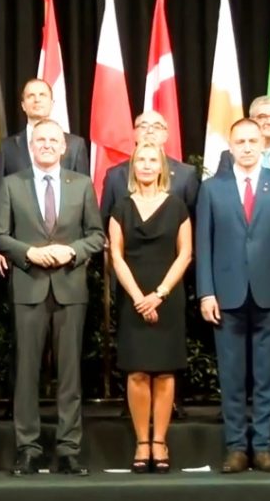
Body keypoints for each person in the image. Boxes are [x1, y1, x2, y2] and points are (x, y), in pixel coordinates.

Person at [0, 119, 106, 477]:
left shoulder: (82, 185)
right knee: (26, 374)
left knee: (69, 374)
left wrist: (70, 252)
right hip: (29, 287)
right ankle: (28, 448)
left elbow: (96, 235)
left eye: (52, 140)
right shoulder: (12, 184)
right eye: (39, 139)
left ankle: (69, 450)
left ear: (64, 147)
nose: (45, 144)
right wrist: (29, 253)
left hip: (70, 289)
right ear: (31, 146)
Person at [195, 118, 270, 473]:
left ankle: (264, 447)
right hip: (226, 296)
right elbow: (204, 245)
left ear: (262, 144)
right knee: (232, 375)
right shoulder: (212, 188)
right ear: (230, 146)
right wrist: (206, 292)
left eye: (252, 140)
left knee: (267, 375)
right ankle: (237, 447)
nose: (246, 146)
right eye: (239, 141)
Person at [108, 142, 192, 473]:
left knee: (166, 370)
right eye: (140, 160)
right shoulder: (121, 207)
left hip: (167, 295)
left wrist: (159, 293)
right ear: (133, 167)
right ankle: (142, 441)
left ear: (162, 167)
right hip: (133, 296)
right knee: (138, 371)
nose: (145, 165)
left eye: (151, 160)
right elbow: (116, 255)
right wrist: (139, 297)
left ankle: (161, 440)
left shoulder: (178, 206)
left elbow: (185, 253)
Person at [100, 110, 200, 224]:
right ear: (134, 133)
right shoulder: (115, 175)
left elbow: (195, 221)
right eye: (143, 126)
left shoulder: (186, 174)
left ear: (166, 135)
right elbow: (104, 221)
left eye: (157, 127)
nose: (150, 131)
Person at [0, 78, 90, 187]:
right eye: (31, 96)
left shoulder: (76, 145)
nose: (37, 100)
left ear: (52, 103)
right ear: (23, 105)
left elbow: (83, 189)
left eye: (42, 95)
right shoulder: (7, 147)